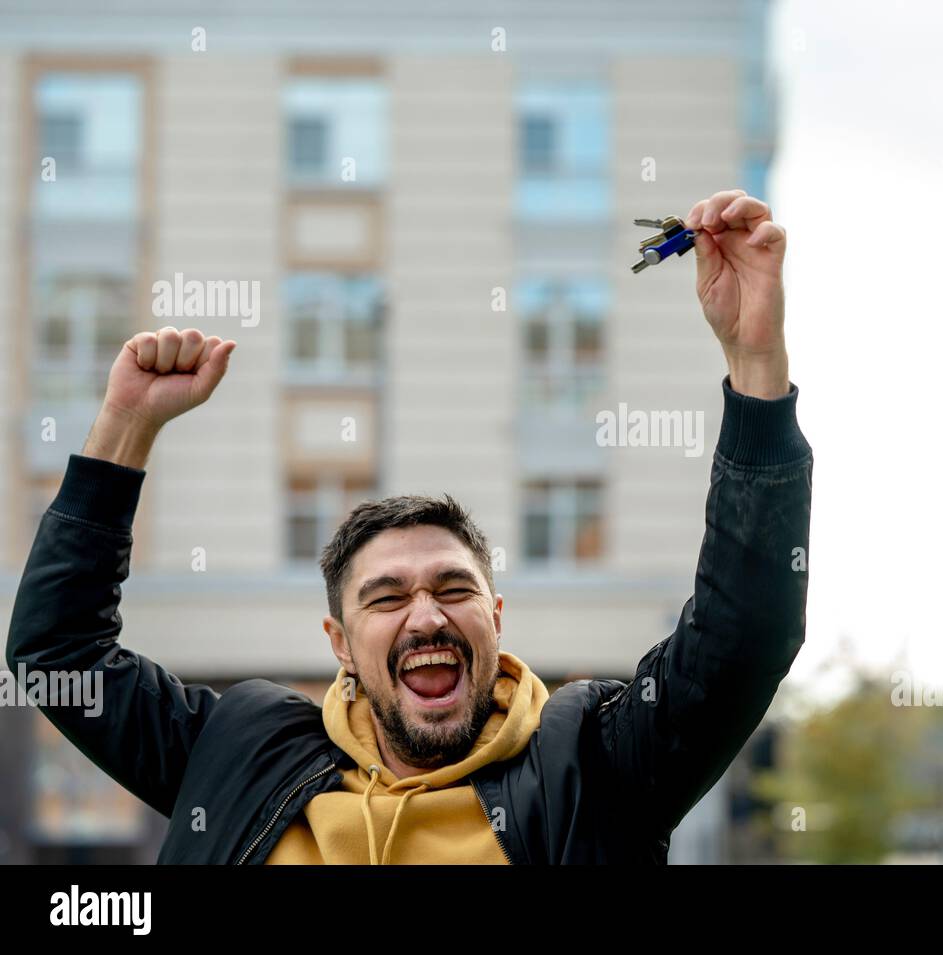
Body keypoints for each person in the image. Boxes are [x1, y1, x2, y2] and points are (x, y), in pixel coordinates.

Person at [6, 189, 813, 864]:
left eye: (453, 587)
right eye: (386, 597)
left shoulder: (595, 761)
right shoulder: (239, 750)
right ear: (339, 642)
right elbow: (55, 653)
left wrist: (755, 365)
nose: (426, 614)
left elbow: (742, 633)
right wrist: (124, 425)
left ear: (495, 619)